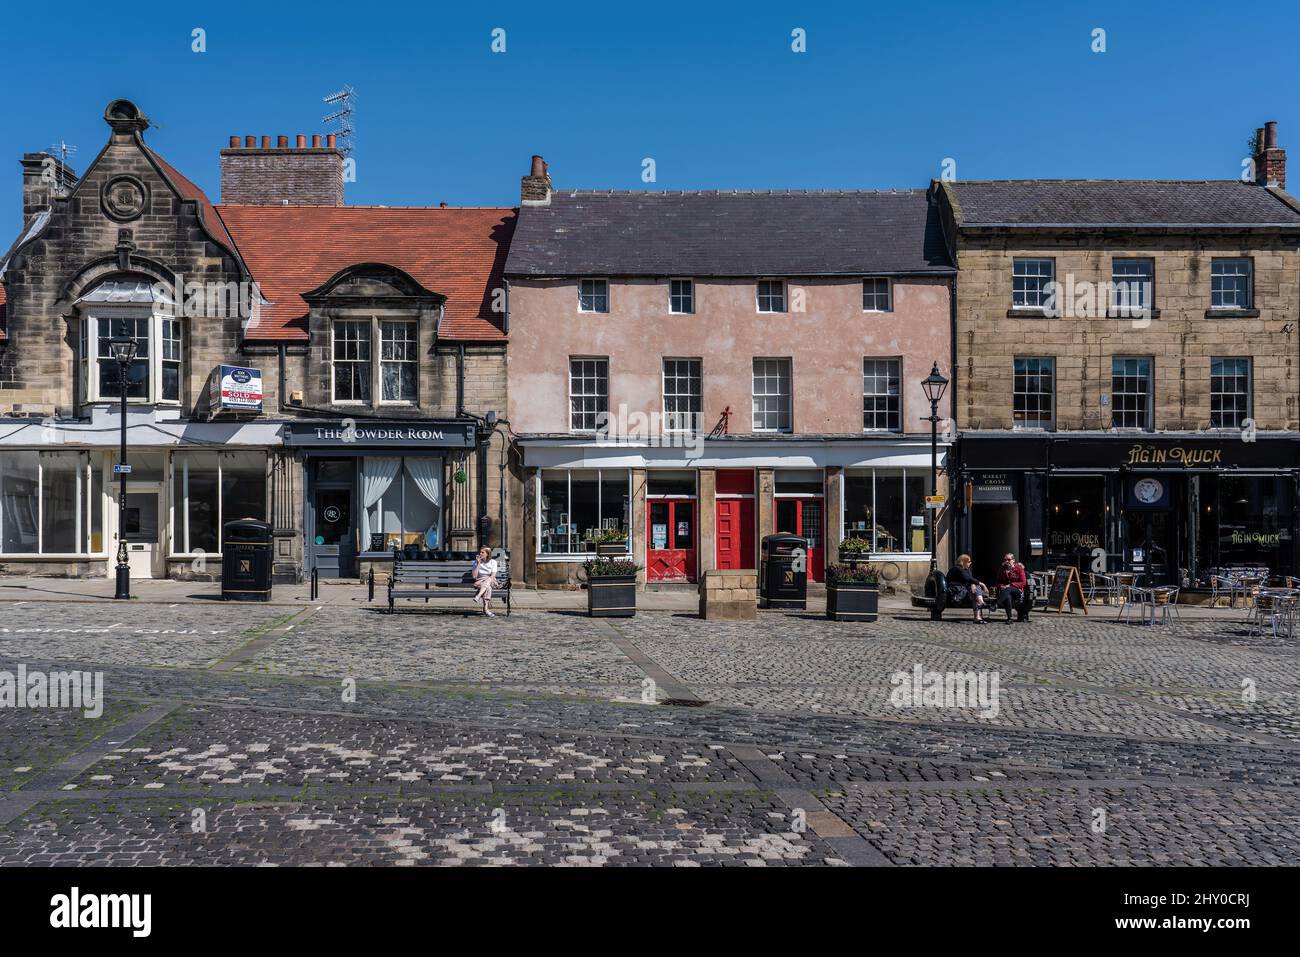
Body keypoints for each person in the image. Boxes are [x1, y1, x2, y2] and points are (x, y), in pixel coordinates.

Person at [946, 554, 990, 623]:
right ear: (964, 561)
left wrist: (973, 583)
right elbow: (967, 578)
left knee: (974, 590)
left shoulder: (967, 570)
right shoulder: (956, 569)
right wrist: (982, 584)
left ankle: (978, 612)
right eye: (969, 561)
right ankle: (980, 605)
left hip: (966, 592)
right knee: (975, 589)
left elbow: (970, 579)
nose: (970, 563)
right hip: (957, 594)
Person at [994, 552, 1029, 623]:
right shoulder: (1002, 569)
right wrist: (1001, 586)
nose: (1007, 561)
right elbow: (997, 582)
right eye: (1005, 560)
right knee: (1008, 596)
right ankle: (1009, 618)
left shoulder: (1019, 568)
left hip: (1018, 591)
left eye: (1009, 559)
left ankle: (997, 604)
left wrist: (1010, 585)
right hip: (1006, 592)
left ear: (1013, 560)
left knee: (1008, 588)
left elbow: (1023, 583)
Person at [471, 547, 499, 617]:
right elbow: (474, 576)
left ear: (487, 554)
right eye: (480, 552)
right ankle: (486, 610)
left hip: (491, 580)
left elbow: (493, 575)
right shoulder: (476, 562)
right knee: (488, 588)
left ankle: (478, 596)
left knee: (488, 580)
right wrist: (478, 564)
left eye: (482, 552)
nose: (480, 554)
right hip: (479, 581)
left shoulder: (493, 562)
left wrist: (488, 579)